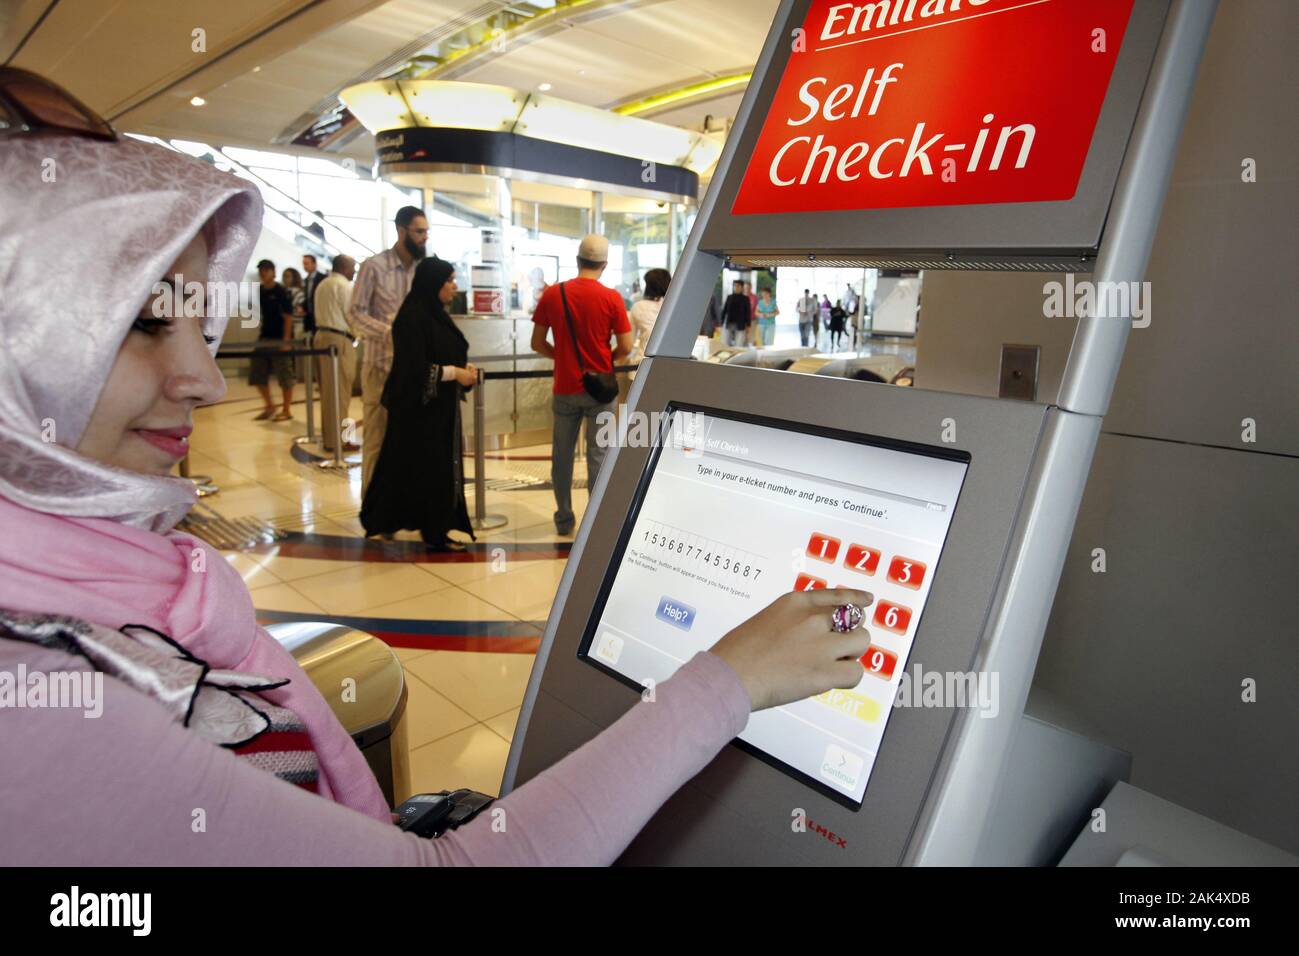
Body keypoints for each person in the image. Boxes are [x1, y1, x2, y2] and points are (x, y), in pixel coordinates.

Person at [0, 75, 876, 865]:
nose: (202, 378)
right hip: (522, 408)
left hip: (513, 405)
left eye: (196, 319)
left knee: (569, 465)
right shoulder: (41, 704)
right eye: (146, 322)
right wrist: (729, 680)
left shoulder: (126, 583)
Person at [360, 258, 477, 550]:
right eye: (449, 280)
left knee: (434, 469)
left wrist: (464, 371)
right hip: (420, 413)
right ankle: (432, 530)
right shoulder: (412, 317)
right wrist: (455, 373)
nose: (454, 286)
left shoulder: (434, 314)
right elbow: (415, 368)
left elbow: (443, 353)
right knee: (425, 470)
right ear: (433, 283)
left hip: (438, 409)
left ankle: (436, 526)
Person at [530, 234, 633, 537]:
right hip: (601, 391)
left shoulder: (553, 295)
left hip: (565, 389)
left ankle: (564, 519)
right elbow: (626, 346)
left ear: (577, 261)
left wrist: (561, 357)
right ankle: (594, 524)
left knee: (562, 456)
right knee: (599, 455)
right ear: (604, 264)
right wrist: (605, 362)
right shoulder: (611, 298)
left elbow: (537, 342)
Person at [350, 206, 427, 494]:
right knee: (377, 441)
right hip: (380, 367)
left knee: (409, 441)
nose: (424, 238)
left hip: (414, 370)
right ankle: (372, 506)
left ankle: (400, 505)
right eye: (419, 231)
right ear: (401, 231)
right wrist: (389, 333)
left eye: (426, 232)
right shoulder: (374, 266)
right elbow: (355, 313)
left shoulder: (422, 270)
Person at [313, 254, 359, 454]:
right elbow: (352, 316)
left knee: (328, 393)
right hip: (339, 340)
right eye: (353, 267)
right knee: (341, 394)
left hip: (321, 337)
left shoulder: (323, 284)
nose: (354, 270)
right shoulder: (344, 286)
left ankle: (330, 438)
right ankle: (342, 440)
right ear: (344, 267)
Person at [251, 259, 296, 421]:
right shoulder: (260, 291)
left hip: (280, 337)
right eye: (261, 270)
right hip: (265, 336)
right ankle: (269, 405)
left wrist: (286, 340)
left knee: (284, 374)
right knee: (257, 371)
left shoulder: (281, 291)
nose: (263, 273)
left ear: (273, 272)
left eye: (266, 270)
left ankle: (286, 409)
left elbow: (288, 316)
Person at [628, 267, 672, 368]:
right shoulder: (675, 307)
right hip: (668, 368)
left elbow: (629, 343)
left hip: (640, 367)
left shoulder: (639, 306)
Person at [720, 279, 751, 348]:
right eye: (735, 286)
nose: (736, 287)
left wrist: (748, 325)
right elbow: (724, 310)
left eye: (738, 286)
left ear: (742, 287)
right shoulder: (729, 297)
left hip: (741, 323)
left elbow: (748, 312)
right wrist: (721, 322)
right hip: (729, 322)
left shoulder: (745, 298)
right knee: (725, 342)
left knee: (739, 343)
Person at [301, 253, 325, 334]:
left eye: (307, 263)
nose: (305, 266)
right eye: (304, 264)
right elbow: (307, 297)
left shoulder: (323, 279)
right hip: (308, 317)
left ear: (314, 264)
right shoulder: (305, 280)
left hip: (320, 316)